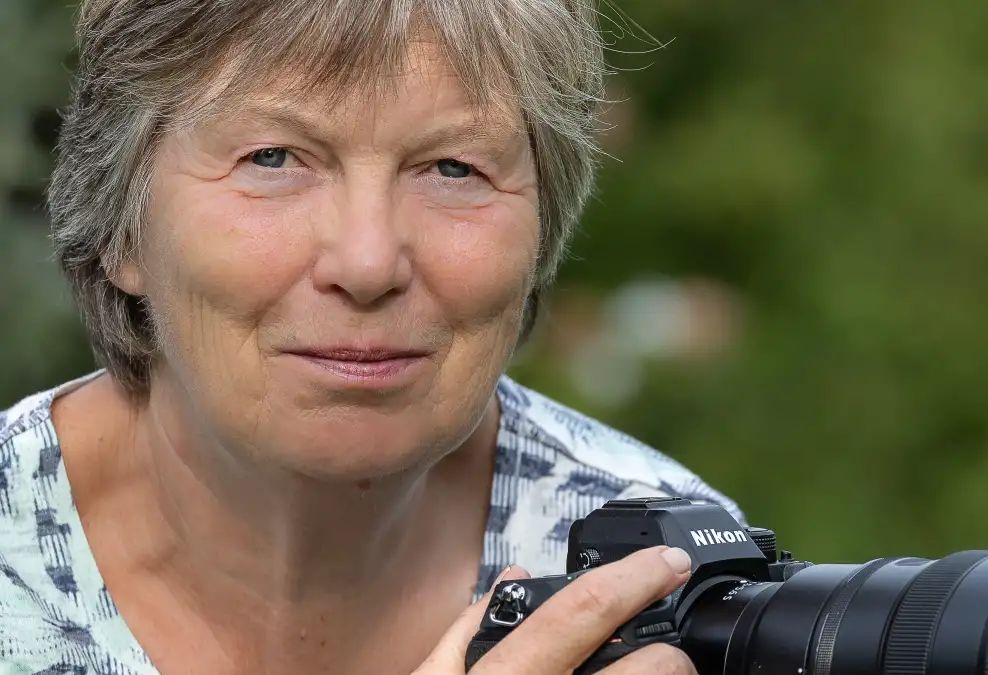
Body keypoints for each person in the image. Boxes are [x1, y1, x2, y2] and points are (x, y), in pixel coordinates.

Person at [0, 0, 744, 673]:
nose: (367, 261)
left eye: (453, 168)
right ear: (122, 228)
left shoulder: (667, 574)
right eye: (274, 157)